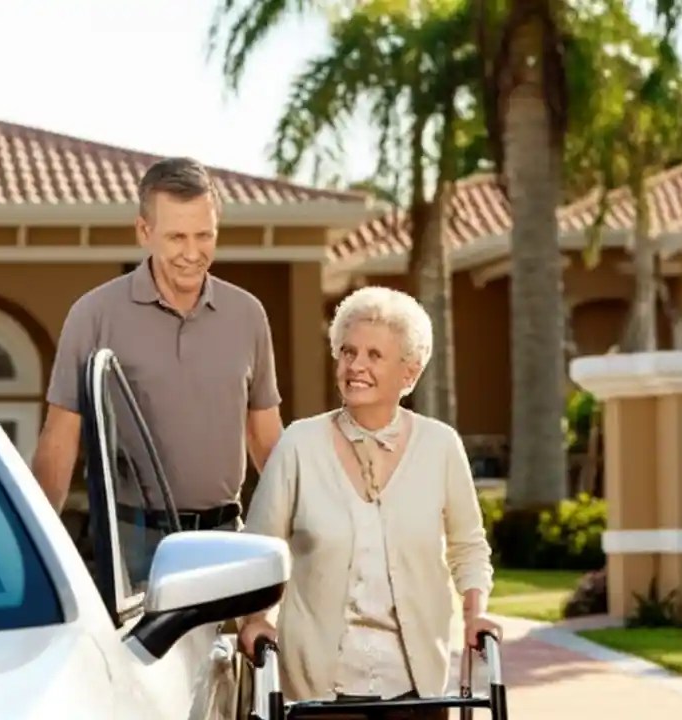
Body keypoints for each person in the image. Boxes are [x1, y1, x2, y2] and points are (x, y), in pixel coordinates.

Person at [236, 285, 499, 717]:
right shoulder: (300, 445)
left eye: (374, 355)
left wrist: (475, 615)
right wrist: (256, 621)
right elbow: (261, 550)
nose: (356, 366)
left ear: (409, 374)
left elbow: (468, 548)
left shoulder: (440, 446)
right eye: (347, 352)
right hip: (318, 691)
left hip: (417, 688)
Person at [32, 157, 284, 563]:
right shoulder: (94, 315)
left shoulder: (247, 315)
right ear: (144, 232)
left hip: (226, 541)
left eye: (205, 236)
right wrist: (34, 550)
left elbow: (266, 439)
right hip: (133, 548)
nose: (192, 253)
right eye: (176, 237)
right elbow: (60, 441)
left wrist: (294, 534)